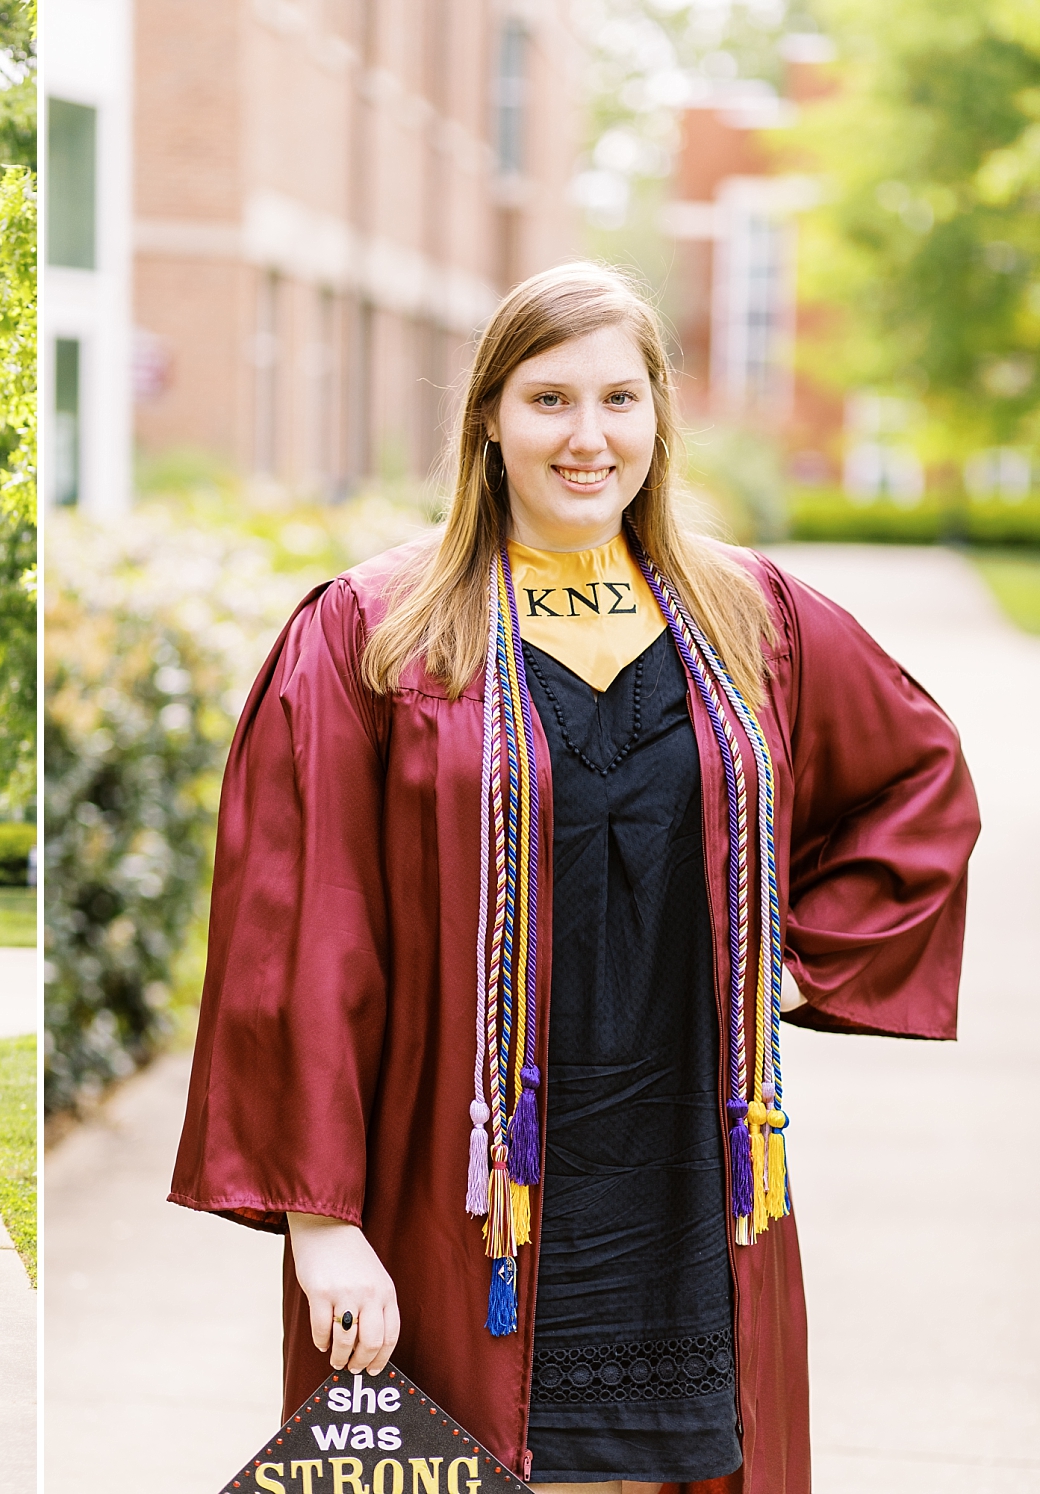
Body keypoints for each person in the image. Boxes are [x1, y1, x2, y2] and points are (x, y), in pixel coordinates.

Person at [170, 263, 979, 1494]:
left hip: (687, 1190)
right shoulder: (377, 630)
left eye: (617, 399)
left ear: (656, 416)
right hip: (459, 1204)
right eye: (547, 400)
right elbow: (300, 933)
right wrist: (320, 1224)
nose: (586, 437)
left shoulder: (744, 617)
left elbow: (916, 777)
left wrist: (791, 955)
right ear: (488, 420)